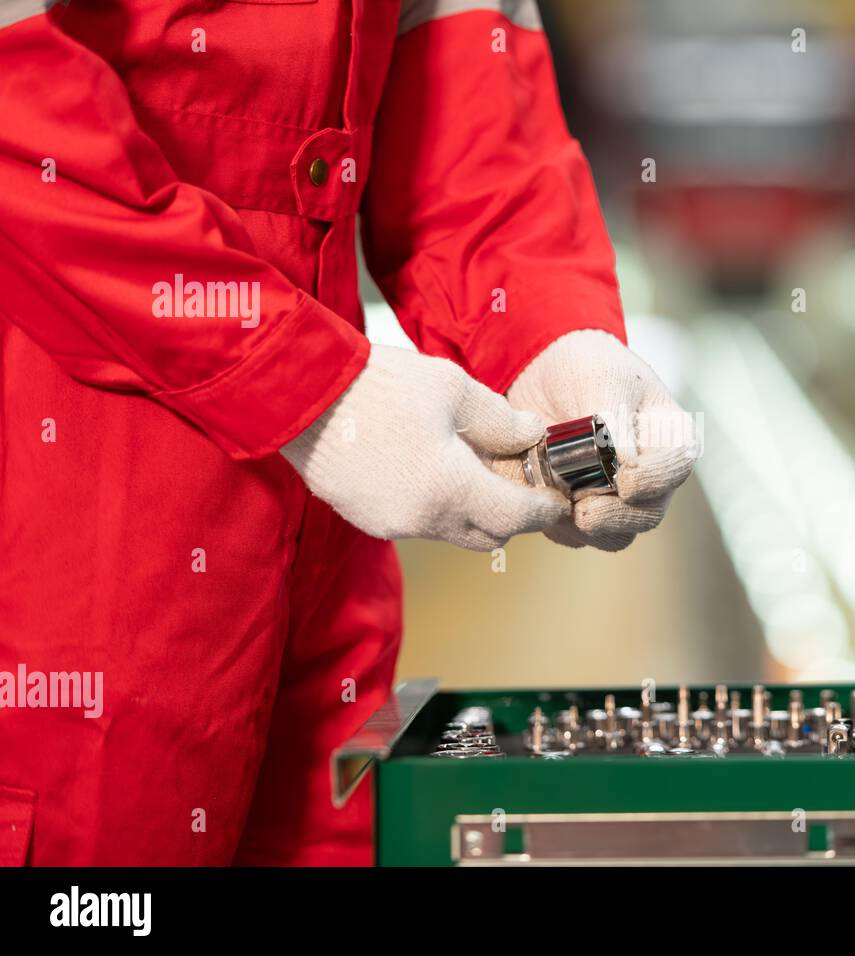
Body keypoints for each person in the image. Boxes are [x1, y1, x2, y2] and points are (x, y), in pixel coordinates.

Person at [0, 0, 697, 865]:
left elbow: (464, 89)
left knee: (328, 822)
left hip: (320, 538)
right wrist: (304, 383)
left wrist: (552, 335)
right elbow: (16, 115)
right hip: (59, 476)